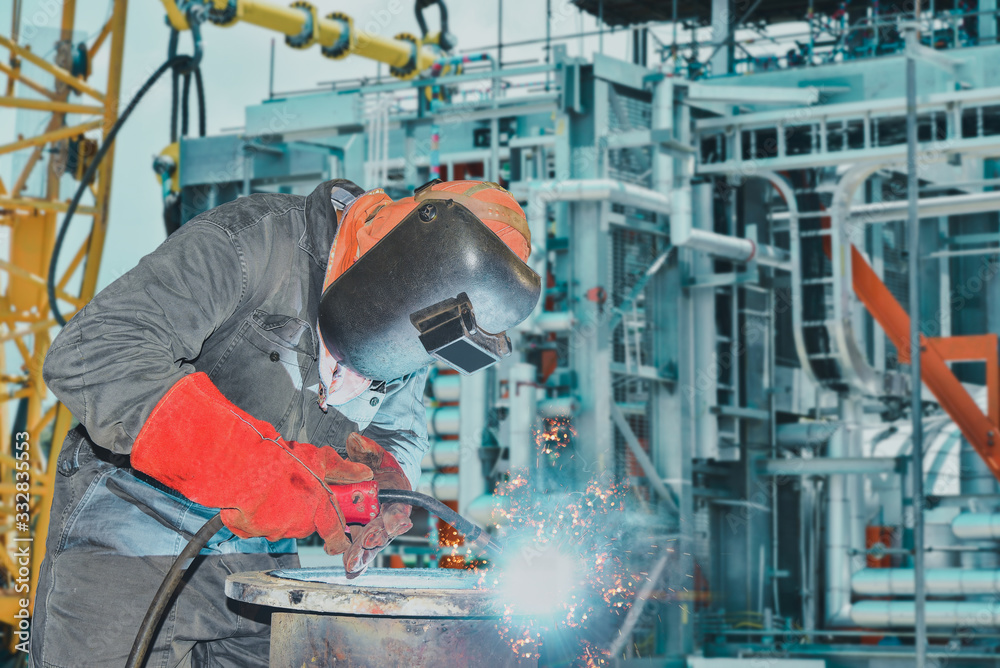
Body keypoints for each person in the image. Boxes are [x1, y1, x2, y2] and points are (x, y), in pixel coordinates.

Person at [29, 178, 538, 667]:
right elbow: (94, 353)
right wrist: (260, 473)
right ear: (402, 254)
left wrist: (384, 480)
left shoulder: (423, 320)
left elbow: (396, 431)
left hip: (260, 565)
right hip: (130, 546)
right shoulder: (254, 242)